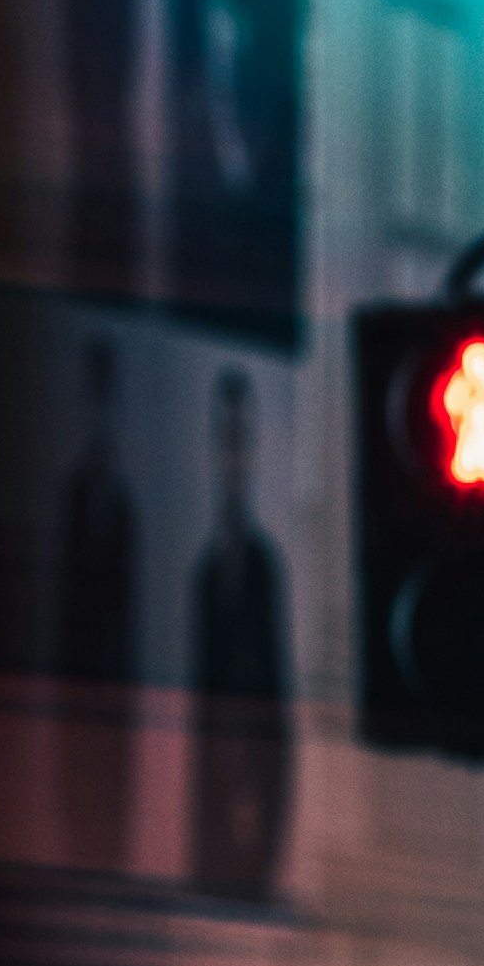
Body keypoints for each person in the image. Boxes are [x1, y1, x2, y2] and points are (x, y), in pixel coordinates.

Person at [188, 364, 294, 906]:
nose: (234, 459)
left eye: (242, 441)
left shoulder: (261, 569)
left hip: (254, 817)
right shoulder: (207, 575)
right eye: (226, 440)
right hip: (213, 827)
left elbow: (277, 712)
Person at [52, 340, 142, 867]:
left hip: (114, 704)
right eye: (95, 400)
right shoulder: (74, 498)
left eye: (107, 401)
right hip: (77, 698)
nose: (100, 415)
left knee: (111, 814)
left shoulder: (123, 505)